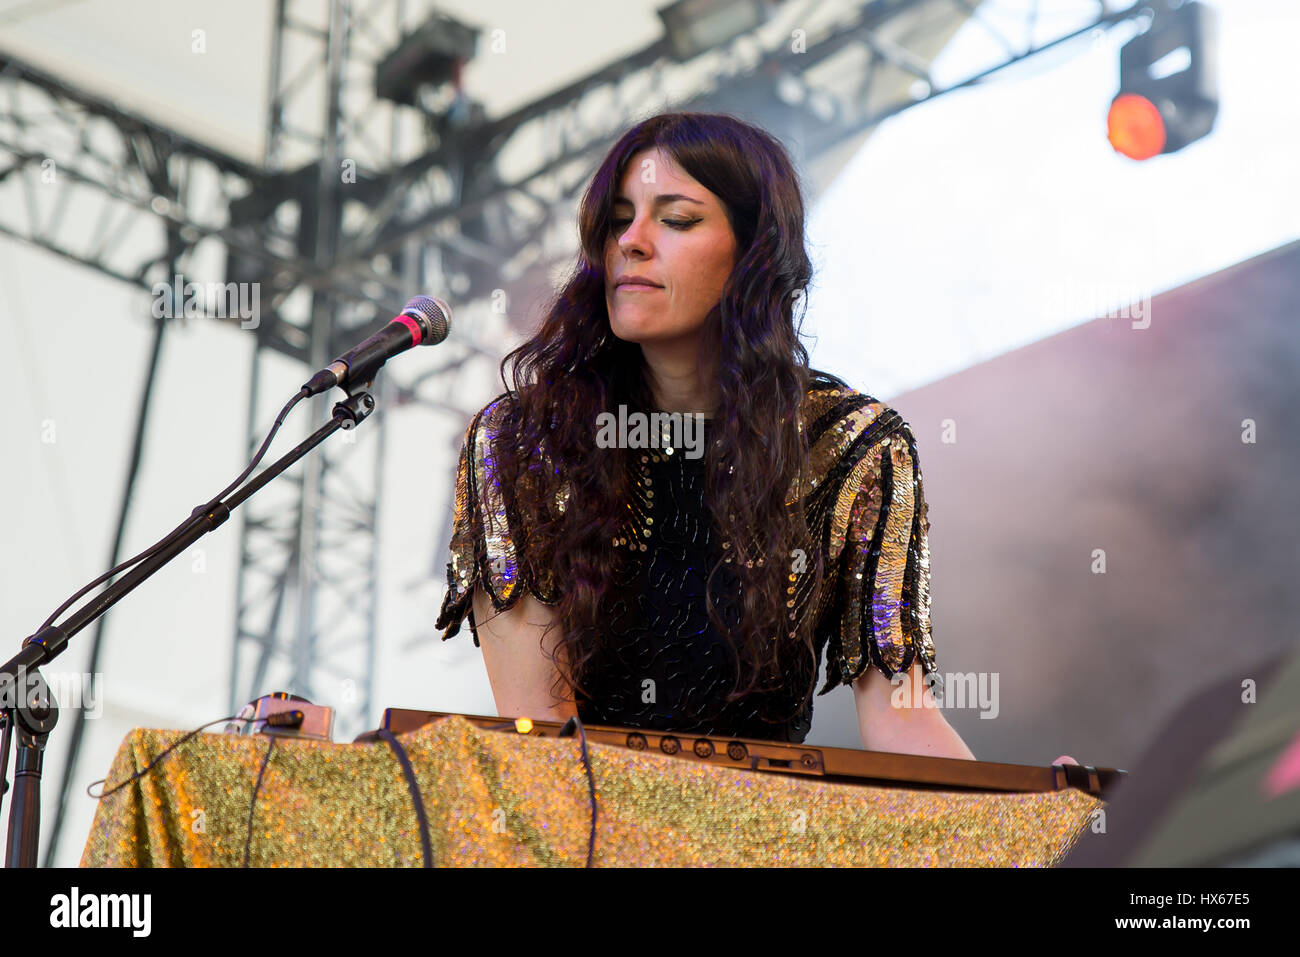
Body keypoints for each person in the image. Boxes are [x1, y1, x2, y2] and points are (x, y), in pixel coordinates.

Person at [436, 112, 988, 759]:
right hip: (584, 831)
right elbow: (538, 731)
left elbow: (902, 719)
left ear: (754, 251)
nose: (632, 242)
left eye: (676, 219)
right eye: (619, 219)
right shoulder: (523, 443)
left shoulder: (851, 447)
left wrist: (1037, 823)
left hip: (774, 842)